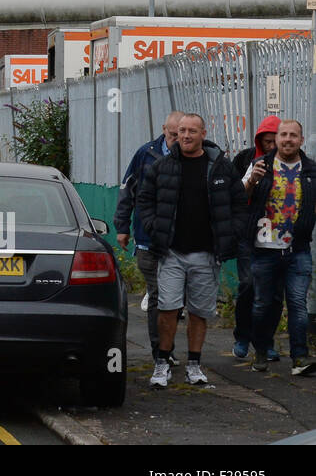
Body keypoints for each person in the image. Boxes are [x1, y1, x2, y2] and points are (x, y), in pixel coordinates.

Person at [137, 113, 248, 389]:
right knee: (168, 308)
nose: (185, 136)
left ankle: (195, 366)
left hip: (206, 254)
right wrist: (154, 227)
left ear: (203, 133)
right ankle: (162, 363)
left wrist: (231, 233)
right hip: (171, 252)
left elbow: (239, 203)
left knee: (199, 312)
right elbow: (144, 199)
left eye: (192, 131)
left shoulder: (220, 167)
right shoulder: (163, 166)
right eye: (182, 131)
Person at [243, 119, 316, 375]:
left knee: (297, 302)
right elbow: (239, 196)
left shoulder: (310, 171)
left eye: (293, 135)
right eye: (283, 135)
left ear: (301, 140)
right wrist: (252, 180)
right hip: (264, 248)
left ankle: (300, 357)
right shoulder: (259, 166)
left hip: (298, 250)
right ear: (276, 139)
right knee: (264, 304)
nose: (287, 139)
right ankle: (261, 351)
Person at [115, 111, 183, 365]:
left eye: (181, 134)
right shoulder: (146, 154)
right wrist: (122, 227)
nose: (177, 139)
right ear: (164, 129)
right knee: (158, 294)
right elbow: (127, 189)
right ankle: (160, 352)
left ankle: (167, 348)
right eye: (172, 134)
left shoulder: (190, 155)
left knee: (175, 296)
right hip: (147, 238)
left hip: (180, 239)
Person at [231, 116, 283, 360]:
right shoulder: (246, 160)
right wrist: (252, 179)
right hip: (250, 234)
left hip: (279, 236)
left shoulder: (294, 163)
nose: (272, 147)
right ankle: (242, 336)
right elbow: (235, 195)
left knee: (273, 293)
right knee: (248, 285)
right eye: (267, 142)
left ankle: (265, 342)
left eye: (275, 141)